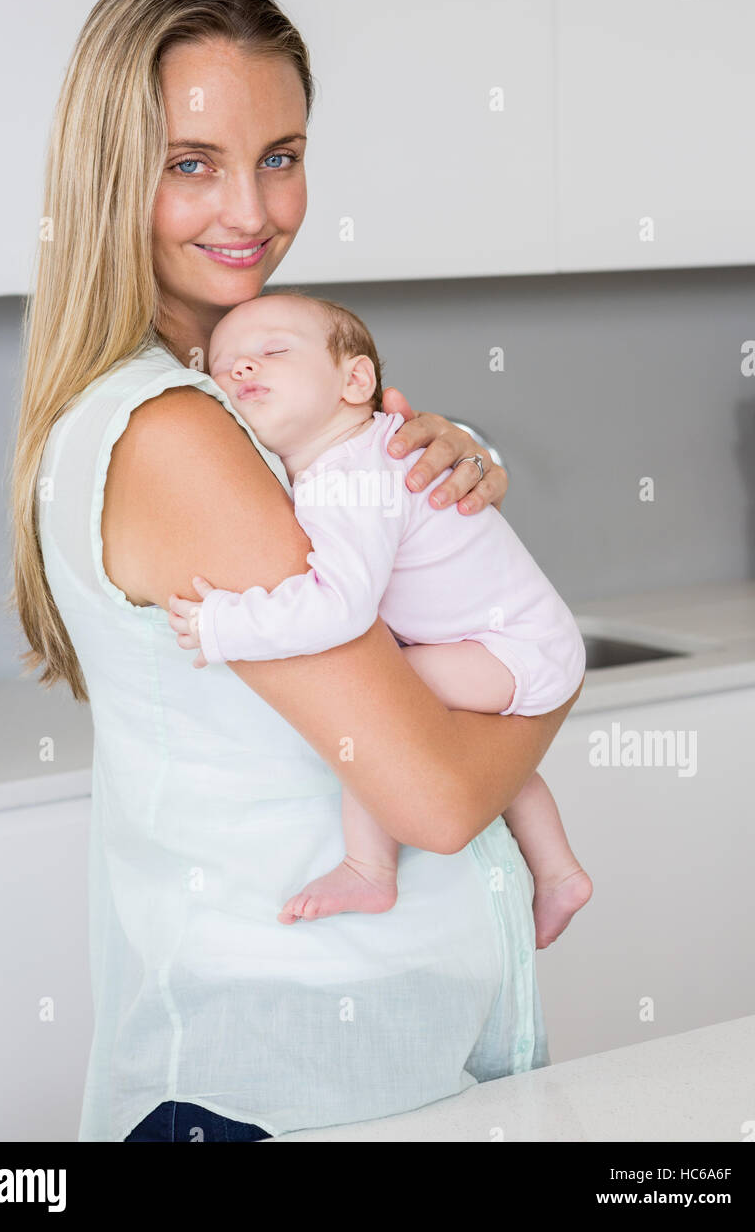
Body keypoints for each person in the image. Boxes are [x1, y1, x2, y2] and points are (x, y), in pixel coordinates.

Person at [11, 0, 583, 1144]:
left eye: (280, 153)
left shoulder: (225, 405)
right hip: (276, 1087)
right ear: (111, 175)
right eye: (191, 164)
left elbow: (377, 595)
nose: (254, 212)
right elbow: (427, 794)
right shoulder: (176, 435)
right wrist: (541, 655)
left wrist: (436, 468)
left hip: (356, 1068)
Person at [168, 291, 592, 944]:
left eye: (272, 352)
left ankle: (369, 867)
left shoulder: (348, 476)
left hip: (512, 649)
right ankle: (560, 871)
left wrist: (226, 625)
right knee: (446, 735)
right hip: (528, 641)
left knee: (380, 714)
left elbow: (338, 607)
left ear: (355, 380)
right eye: (224, 367)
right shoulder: (361, 453)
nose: (243, 370)